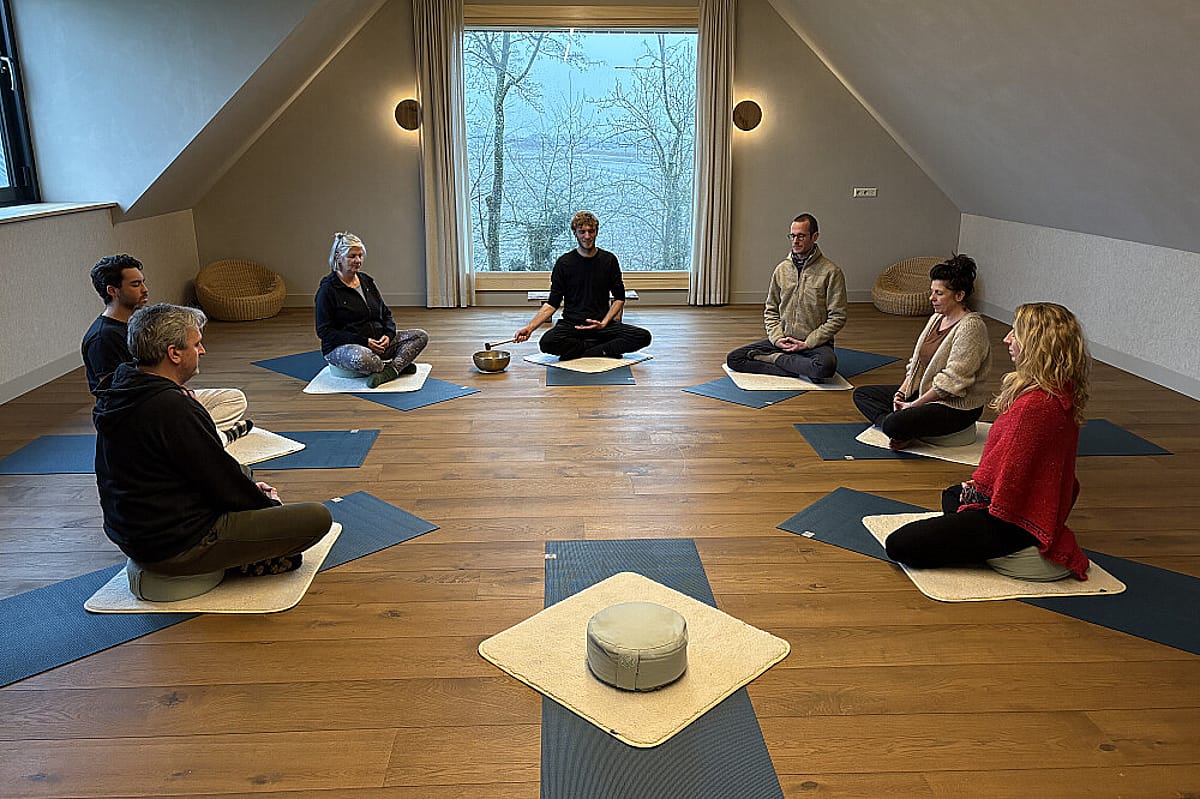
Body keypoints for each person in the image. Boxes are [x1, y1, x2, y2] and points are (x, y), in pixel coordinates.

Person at [93, 303, 333, 580]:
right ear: (173, 353)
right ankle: (239, 561)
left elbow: (198, 470)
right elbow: (219, 480)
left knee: (243, 474)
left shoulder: (121, 389)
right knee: (316, 518)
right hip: (176, 545)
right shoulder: (171, 408)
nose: (203, 350)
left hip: (135, 535)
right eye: (196, 344)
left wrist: (248, 487)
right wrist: (268, 505)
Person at [884, 303, 1092, 581]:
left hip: (1013, 521)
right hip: (1029, 508)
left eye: (1015, 333)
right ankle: (976, 542)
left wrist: (980, 496)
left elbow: (1010, 484)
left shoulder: (1033, 408)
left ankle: (988, 549)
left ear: (1036, 344)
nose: (1006, 339)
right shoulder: (1059, 391)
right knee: (953, 494)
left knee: (899, 544)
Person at [82, 254, 251, 444]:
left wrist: (177, 391)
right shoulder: (103, 338)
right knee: (186, 416)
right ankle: (214, 439)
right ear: (113, 290)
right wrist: (175, 398)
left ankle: (200, 436)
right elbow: (114, 393)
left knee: (234, 399)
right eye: (136, 284)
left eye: (143, 282)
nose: (145, 289)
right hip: (136, 411)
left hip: (161, 394)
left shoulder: (141, 322)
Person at [852, 254, 991, 447]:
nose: (931, 298)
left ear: (959, 296)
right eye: (932, 291)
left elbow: (952, 381)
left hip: (956, 407)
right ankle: (901, 429)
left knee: (894, 424)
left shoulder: (972, 328)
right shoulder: (936, 318)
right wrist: (901, 393)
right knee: (863, 395)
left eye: (939, 293)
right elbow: (916, 363)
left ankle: (897, 427)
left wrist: (913, 406)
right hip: (925, 392)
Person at [513, 211, 652, 360]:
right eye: (582, 232)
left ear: (596, 232)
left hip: (602, 325)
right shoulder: (564, 263)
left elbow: (619, 298)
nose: (587, 236)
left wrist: (604, 323)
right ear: (575, 233)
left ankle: (582, 350)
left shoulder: (609, 260)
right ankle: (600, 350)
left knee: (643, 336)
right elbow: (552, 303)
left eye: (591, 231)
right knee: (547, 343)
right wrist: (530, 328)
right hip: (572, 326)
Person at [726, 214, 847, 381]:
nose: (795, 241)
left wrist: (808, 342)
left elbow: (838, 317)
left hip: (814, 344)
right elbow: (771, 309)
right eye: (792, 236)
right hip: (784, 341)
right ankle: (797, 367)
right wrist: (777, 339)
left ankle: (776, 360)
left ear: (815, 237)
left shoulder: (831, 272)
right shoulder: (781, 270)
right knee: (734, 359)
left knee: (825, 367)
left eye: (801, 236)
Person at [315, 232, 428, 388]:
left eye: (360, 255)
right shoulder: (327, 290)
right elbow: (324, 331)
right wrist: (364, 342)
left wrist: (388, 335)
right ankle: (396, 366)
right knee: (362, 358)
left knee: (420, 336)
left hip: (377, 342)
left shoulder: (366, 281)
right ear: (338, 257)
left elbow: (385, 313)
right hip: (346, 347)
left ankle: (391, 369)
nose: (358, 260)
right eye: (352, 256)